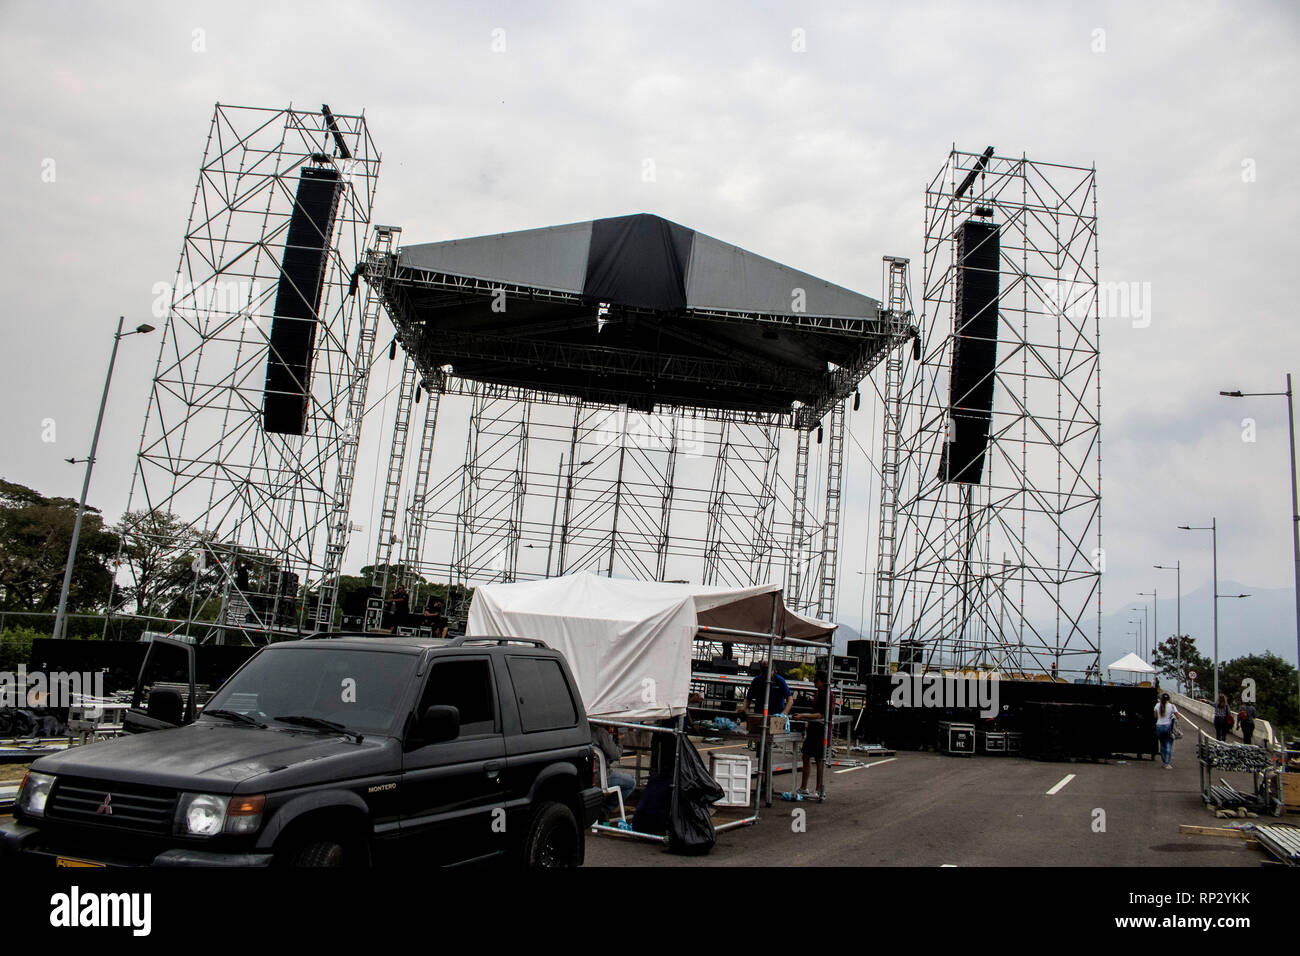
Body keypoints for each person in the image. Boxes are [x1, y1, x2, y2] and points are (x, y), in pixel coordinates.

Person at [797, 671, 834, 798]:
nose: (814, 682)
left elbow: (820, 715)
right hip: (814, 729)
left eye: (816, 680)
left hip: (821, 731)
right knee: (806, 756)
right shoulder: (819, 693)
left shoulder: (827, 695)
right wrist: (809, 721)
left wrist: (803, 716)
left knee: (819, 760)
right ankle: (803, 787)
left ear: (822, 682)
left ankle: (819, 789)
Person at [593, 724, 635, 813]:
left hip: (584, 779)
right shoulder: (601, 732)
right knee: (631, 782)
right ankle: (606, 809)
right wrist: (618, 740)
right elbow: (615, 755)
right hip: (599, 778)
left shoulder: (581, 730)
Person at [1154, 692, 1179, 769]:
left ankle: (1164, 760)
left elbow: (1155, 716)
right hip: (1168, 727)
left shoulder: (1157, 705)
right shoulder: (1172, 706)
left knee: (1162, 744)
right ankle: (1166, 763)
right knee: (1168, 745)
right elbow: (1177, 716)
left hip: (1159, 726)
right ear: (1169, 699)